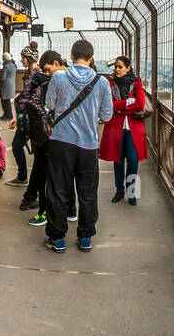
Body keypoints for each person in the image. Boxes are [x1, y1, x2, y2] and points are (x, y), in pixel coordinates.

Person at [37, 38, 114, 253]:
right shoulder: (101, 82)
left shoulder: (59, 77)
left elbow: (50, 104)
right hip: (88, 145)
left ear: (70, 57)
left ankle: (57, 237)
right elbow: (107, 115)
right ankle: (86, 237)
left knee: (59, 190)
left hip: (61, 142)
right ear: (91, 59)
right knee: (88, 192)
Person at [102, 56, 151, 204]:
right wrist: (129, 103)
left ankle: (131, 192)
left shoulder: (136, 82)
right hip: (115, 128)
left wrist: (120, 107)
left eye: (120, 67)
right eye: (115, 67)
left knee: (133, 160)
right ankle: (119, 191)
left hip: (132, 129)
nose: (116, 69)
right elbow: (110, 105)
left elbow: (140, 103)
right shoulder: (109, 84)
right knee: (117, 160)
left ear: (128, 68)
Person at [14, 51, 58, 206]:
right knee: (42, 164)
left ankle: (30, 196)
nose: (21, 60)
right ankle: (36, 199)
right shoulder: (44, 80)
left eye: (23, 58)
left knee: (40, 162)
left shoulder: (36, 77)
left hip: (33, 126)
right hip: (40, 127)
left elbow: (23, 100)